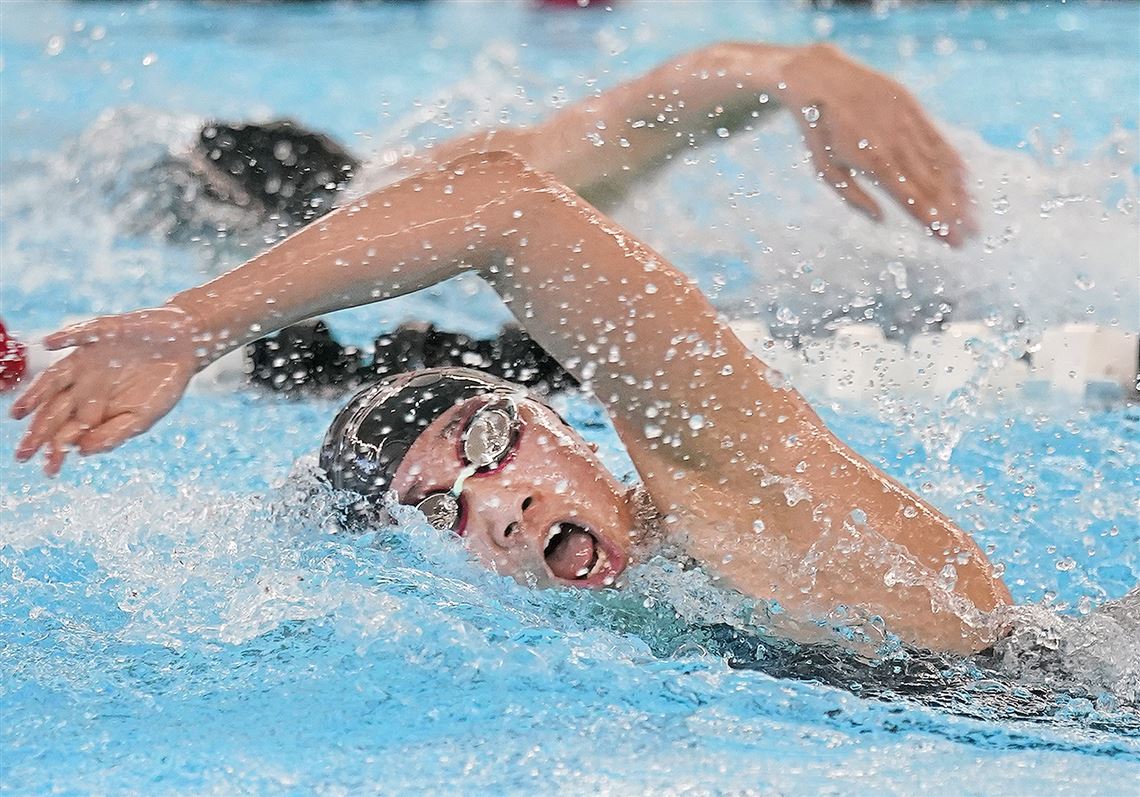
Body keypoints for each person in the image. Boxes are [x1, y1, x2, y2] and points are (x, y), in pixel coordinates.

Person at [9, 41, 1005, 655]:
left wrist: (195, 323)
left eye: (489, 438)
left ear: (561, 422)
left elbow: (506, 201)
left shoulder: (727, 477)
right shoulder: (624, 647)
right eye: (440, 508)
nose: (499, 502)